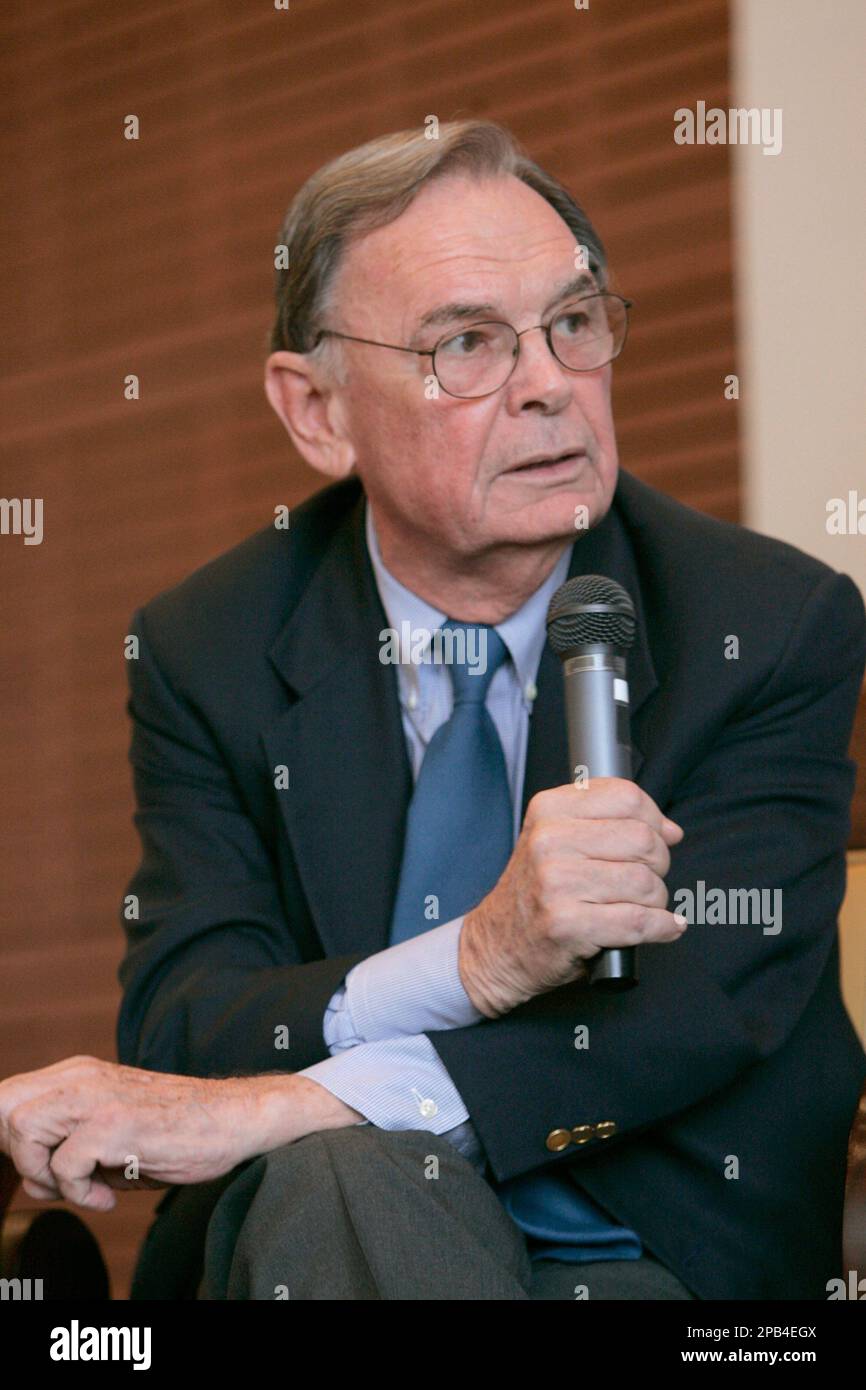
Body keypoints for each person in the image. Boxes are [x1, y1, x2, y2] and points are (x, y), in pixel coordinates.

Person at [1, 120, 864, 1301]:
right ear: (318, 411)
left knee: (337, 1165)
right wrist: (469, 961)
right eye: (467, 343)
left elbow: (689, 1011)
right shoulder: (212, 647)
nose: (552, 384)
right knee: (345, 1183)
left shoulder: (765, 620)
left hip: (639, 1249)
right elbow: (187, 1022)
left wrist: (284, 1104)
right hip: (310, 1235)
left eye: (571, 322)